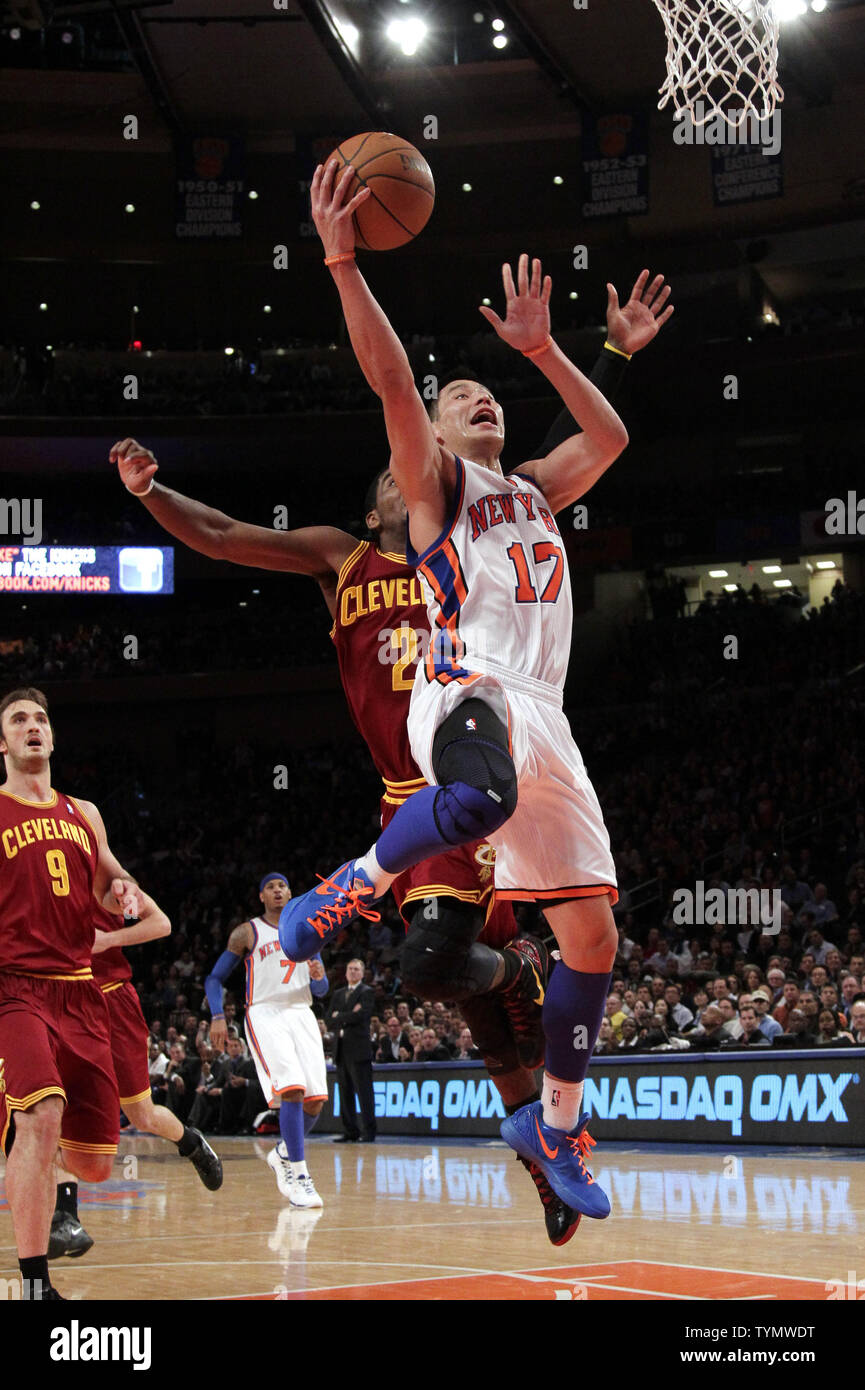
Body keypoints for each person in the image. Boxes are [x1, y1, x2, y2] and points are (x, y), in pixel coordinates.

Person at [110, 272, 670, 1251]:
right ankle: (387, 923)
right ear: (394, 488)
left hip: (519, 737)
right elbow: (233, 534)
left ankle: (549, 1130)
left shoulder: (508, 497)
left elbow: (578, 444)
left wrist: (594, 353)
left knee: (581, 942)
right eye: (406, 451)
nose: (401, 462)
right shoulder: (358, 551)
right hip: (440, 762)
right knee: (439, 963)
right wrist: (155, 492)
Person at [280, 161, 671, 1222]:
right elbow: (393, 381)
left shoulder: (536, 485)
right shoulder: (436, 489)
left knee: (592, 939)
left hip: (546, 715)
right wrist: (343, 260)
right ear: (438, 436)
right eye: (463, 399)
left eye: (487, 391)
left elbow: (610, 437)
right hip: (463, 689)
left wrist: (551, 351)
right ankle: (351, 885)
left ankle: (553, 1121)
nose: (478, 399)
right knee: (479, 797)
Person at [0, 687, 162, 1299]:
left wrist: (123, 891)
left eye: (41, 719)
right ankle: (36, 1284)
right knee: (40, 1117)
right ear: (3, 742)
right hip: (15, 987)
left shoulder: (83, 814)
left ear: (52, 737)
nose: (33, 727)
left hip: (80, 991)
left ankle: (35, 1161)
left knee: (92, 1161)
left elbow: (116, 878)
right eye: (19, 720)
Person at [49, 900, 223, 1260]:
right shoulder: (37, 875)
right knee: (53, 1113)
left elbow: (161, 923)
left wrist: (108, 939)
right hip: (64, 1003)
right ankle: (67, 1218)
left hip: (113, 1000)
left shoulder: (108, 880)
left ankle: (191, 1142)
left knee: (142, 1114)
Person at [204, 874, 328, 1208]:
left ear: (291, 893)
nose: (278, 891)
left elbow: (322, 990)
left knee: (315, 1101)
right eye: (271, 887)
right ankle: (299, 1175)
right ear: (262, 896)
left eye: (283, 886)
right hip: (265, 1012)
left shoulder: (309, 930)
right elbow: (214, 978)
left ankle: (283, 1152)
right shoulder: (247, 932)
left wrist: (319, 977)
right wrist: (218, 1015)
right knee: (292, 1089)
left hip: (302, 1012)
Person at [326, 959, 377, 1142]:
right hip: (340, 1048)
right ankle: (350, 1131)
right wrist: (347, 1015)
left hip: (358, 1049)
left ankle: (369, 1131)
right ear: (346, 972)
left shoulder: (367, 992)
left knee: (364, 1092)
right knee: (345, 1092)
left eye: (356, 969)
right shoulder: (338, 993)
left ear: (363, 974)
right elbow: (328, 1019)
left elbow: (362, 1015)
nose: (353, 972)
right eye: (350, 969)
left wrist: (339, 1016)